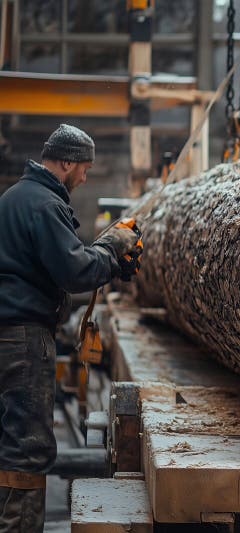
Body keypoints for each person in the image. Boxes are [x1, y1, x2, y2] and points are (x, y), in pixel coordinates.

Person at [0, 124, 141, 532]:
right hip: (24, 341)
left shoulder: (14, 197)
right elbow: (75, 271)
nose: (86, 176)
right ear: (65, 162)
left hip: (7, 334)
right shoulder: (45, 204)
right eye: (84, 168)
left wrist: (106, 261)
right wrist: (113, 248)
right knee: (27, 450)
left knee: (8, 442)